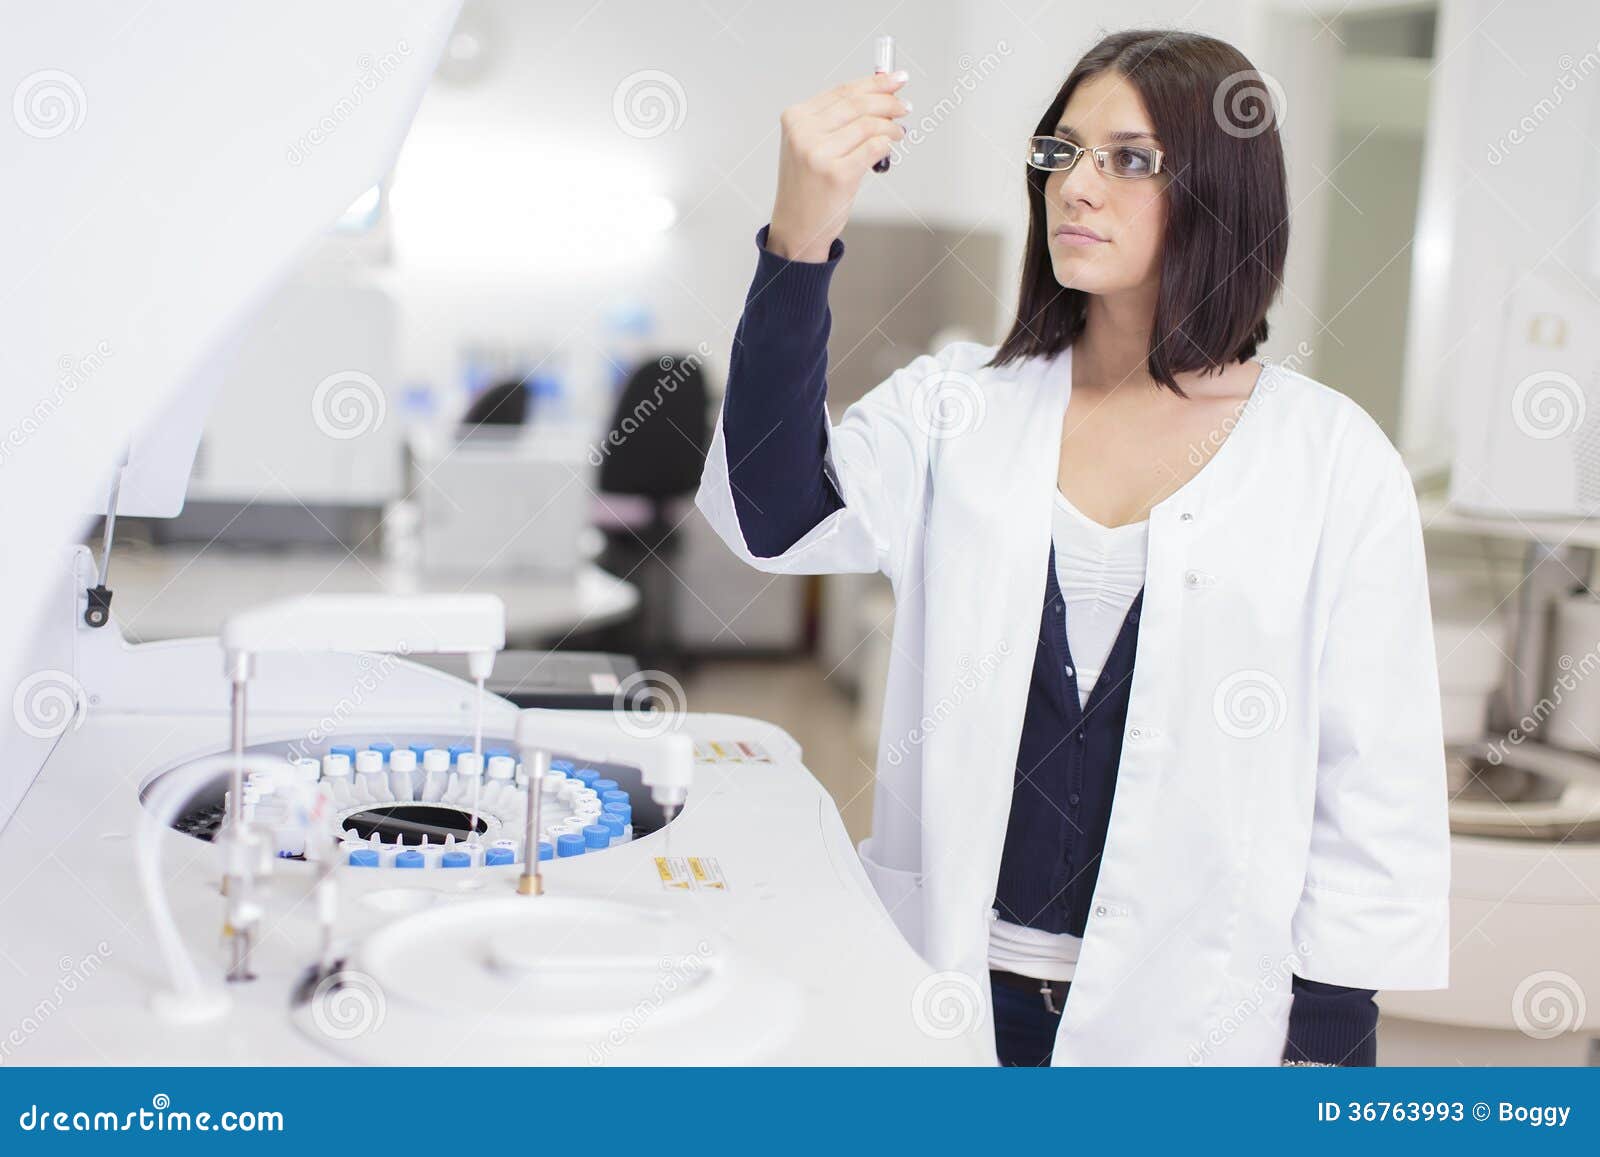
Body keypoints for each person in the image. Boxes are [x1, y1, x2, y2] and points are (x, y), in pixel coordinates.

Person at [695, 28, 1450, 1066]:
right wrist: (800, 237)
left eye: (1130, 159)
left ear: (1224, 190)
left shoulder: (1331, 458)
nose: (1076, 187)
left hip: (1202, 1018)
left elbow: (1373, 774)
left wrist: (1323, 1044)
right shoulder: (959, 403)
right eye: (1061, 152)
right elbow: (771, 509)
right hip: (951, 989)